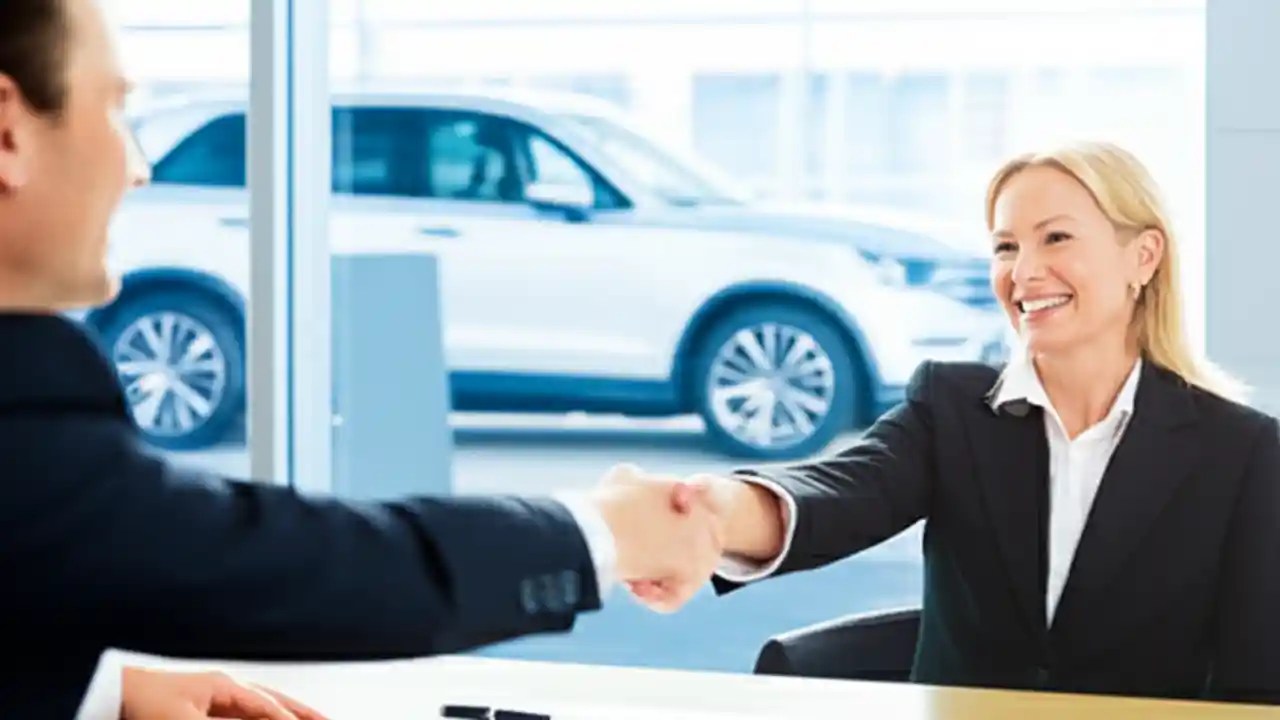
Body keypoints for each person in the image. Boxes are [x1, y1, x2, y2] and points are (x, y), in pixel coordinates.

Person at [0, 1, 721, 717]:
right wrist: (611, 533)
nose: (138, 167)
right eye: (115, 110)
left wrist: (107, 694)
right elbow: (272, 567)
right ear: (8, 135)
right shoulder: (22, 398)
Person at [627, 141, 1280, 704]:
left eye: (1055, 237)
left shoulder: (1242, 451)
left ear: (1143, 257)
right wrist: (714, 515)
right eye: (1004, 246)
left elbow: (1258, 686)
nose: (1023, 272)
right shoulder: (953, 408)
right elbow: (839, 494)